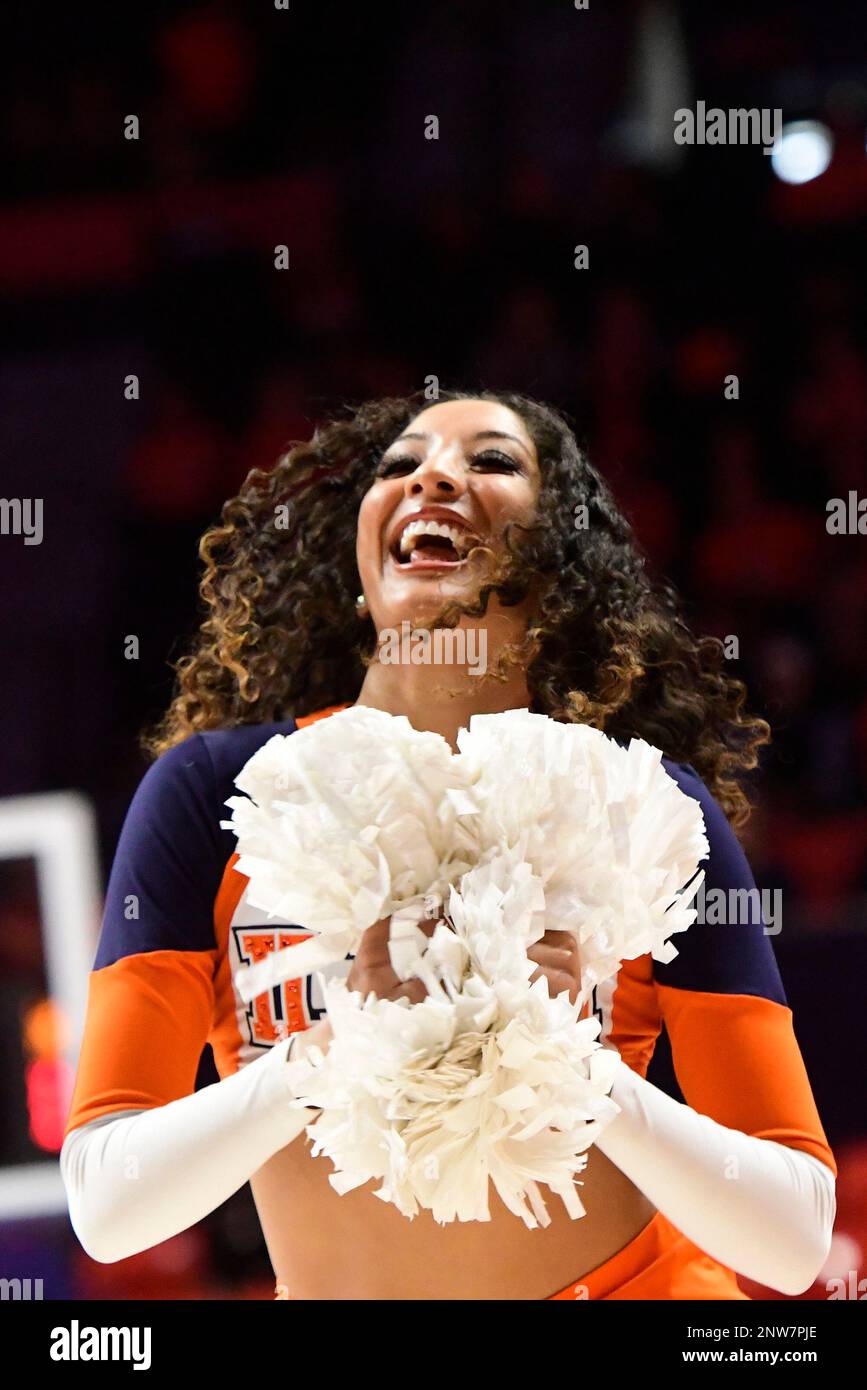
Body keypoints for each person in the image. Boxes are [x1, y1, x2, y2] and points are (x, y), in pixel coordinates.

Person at [60, 390, 836, 1300]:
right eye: (401, 465)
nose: (432, 476)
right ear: (362, 562)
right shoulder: (216, 797)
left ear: (557, 564)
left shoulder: (649, 807)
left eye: (491, 461)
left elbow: (793, 1238)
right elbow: (107, 1207)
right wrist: (333, 1047)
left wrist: (578, 1067)